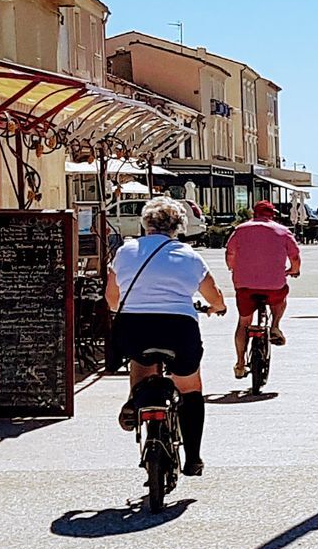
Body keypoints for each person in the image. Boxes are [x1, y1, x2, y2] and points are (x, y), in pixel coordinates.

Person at [107, 196, 226, 477]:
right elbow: (214, 296)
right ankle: (193, 457)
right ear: (179, 226)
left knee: (140, 359)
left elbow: (112, 299)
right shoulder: (189, 255)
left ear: (145, 223)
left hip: (134, 326)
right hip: (178, 328)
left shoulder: (125, 251)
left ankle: (137, 399)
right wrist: (217, 308)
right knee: (189, 387)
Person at [226, 200, 302, 379]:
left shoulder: (240, 230)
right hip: (273, 286)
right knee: (280, 297)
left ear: (254, 213)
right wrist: (294, 270)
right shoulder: (283, 231)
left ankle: (240, 364)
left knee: (243, 323)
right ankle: (275, 326)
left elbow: (230, 253)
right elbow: (295, 256)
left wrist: (233, 267)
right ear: (272, 214)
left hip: (244, 286)